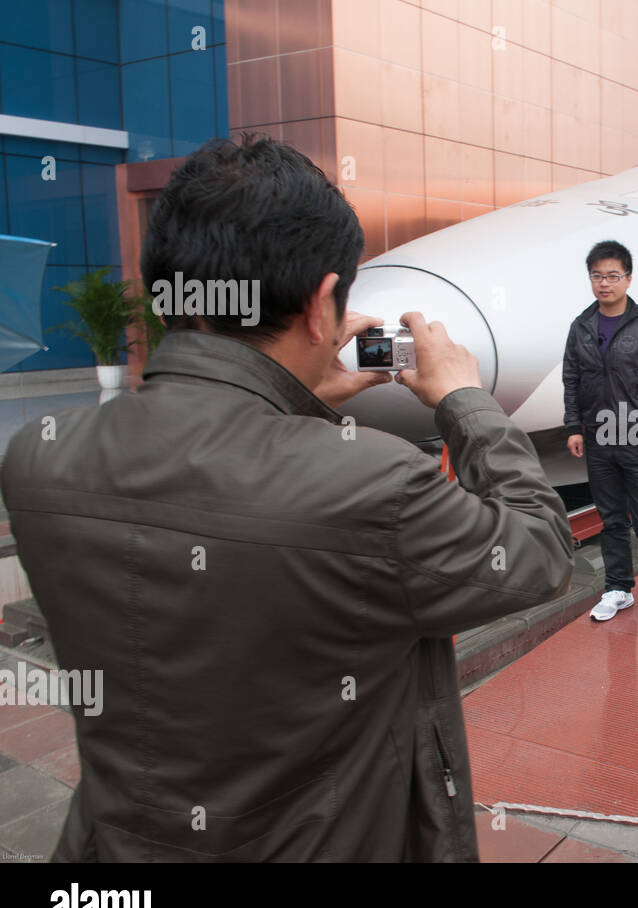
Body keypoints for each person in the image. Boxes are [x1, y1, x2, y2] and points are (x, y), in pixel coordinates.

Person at [1, 136, 574, 861]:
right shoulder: (375, 482)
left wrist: (291, 401)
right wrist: (464, 397)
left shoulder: (38, 458)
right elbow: (539, 551)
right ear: (320, 303)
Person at [562, 240, 638, 626]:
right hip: (597, 437)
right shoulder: (581, 326)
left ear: (628, 278)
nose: (604, 283)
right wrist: (573, 427)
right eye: (597, 276)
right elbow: (572, 379)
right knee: (611, 519)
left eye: (613, 276)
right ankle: (618, 589)